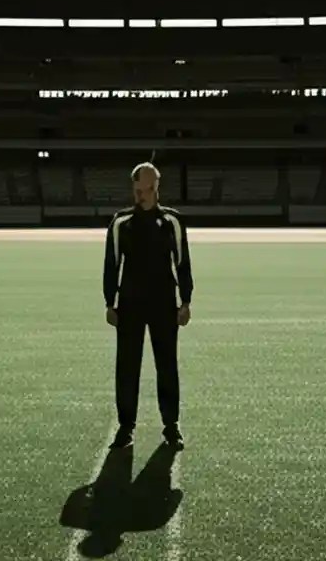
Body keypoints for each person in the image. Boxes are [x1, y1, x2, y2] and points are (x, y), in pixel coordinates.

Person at [102, 161, 193, 451]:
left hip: (164, 304)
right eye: (140, 188)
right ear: (133, 187)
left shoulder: (172, 221)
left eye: (150, 188)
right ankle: (126, 428)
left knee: (167, 366)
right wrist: (109, 302)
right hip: (129, 305)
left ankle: (171, 427)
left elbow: (182, 262)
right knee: (127, 367)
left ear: (157, 187)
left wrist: (186, 301)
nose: (144, 194)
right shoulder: (120, 223)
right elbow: (112, 264)